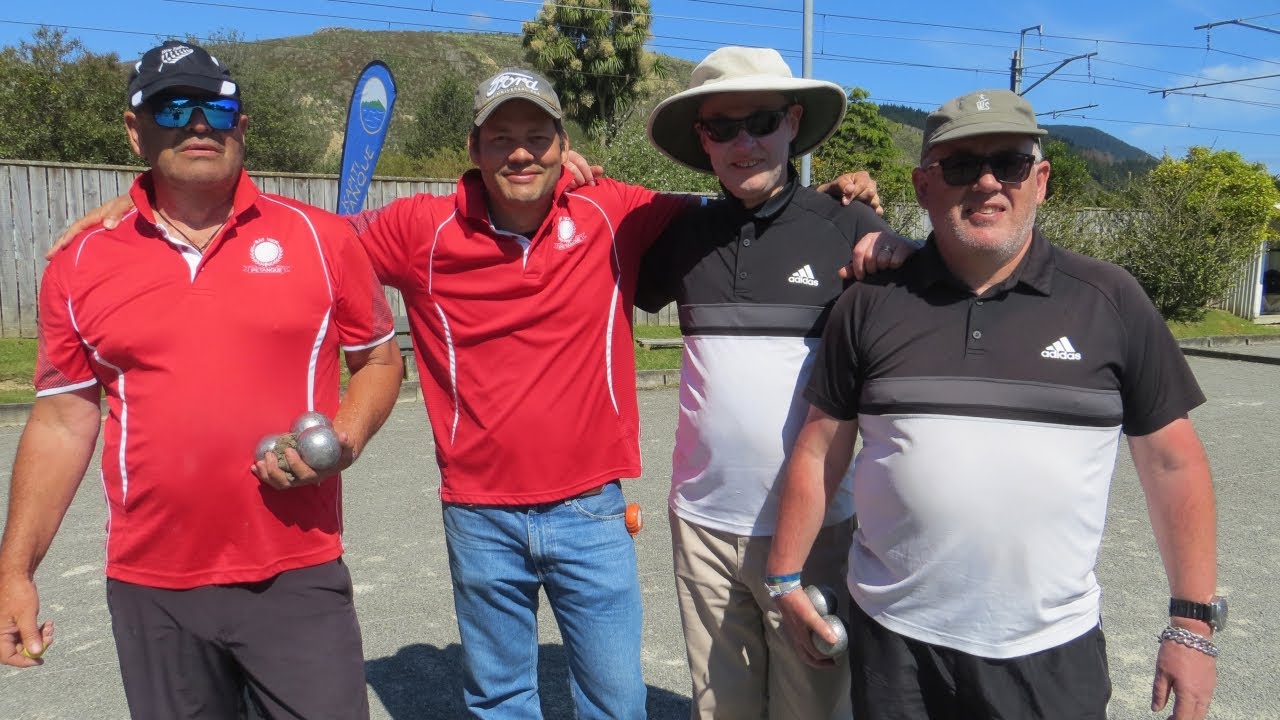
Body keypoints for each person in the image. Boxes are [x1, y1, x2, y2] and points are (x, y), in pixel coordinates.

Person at [49, 63, 901, 718]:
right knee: (499, 703)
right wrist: (142, 214)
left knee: (615, 702)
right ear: (475, 147)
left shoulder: (614, 212)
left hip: (591, 513)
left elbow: (747, 207)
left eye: (539, 138)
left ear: (565, 148)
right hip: (477, 512)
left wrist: (837, 202)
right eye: (502, 138)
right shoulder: (418, 229)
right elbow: (297, 242)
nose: (520, 153)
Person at [768, 89, 1222, 720]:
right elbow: (818, 452)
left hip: (1048, 657)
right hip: (894, 648)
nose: (986, 183)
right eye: (959, 166)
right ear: (924, 187)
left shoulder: (1110, 300)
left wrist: (1191, 626)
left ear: (1041, 181)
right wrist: (784, 579)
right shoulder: (868, 304)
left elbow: (1174, 467)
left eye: (1008, 164)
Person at [0, 40, 403, 719]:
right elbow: (63, 419)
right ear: (136, 131)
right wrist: (15, 570)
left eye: (216, 107)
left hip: (295, 573)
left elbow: (380, 360)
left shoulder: (320, 238)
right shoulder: (80, 261)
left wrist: (343, 438)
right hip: (152, 587)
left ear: (241, 126)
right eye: (171, 106)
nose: (197, 123)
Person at [637, 46, 905, 719]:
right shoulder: (682, 234)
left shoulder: (849, 226)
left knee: (813, 708)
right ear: (702, 140)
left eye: (758, 121)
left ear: (791, 121)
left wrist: (904, 241)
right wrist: (571, 181)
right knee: (721, 708)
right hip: (701, 525)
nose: (742, 143)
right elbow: (588, 259)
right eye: (720, 128)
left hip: (817, 530)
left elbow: (944, 298)